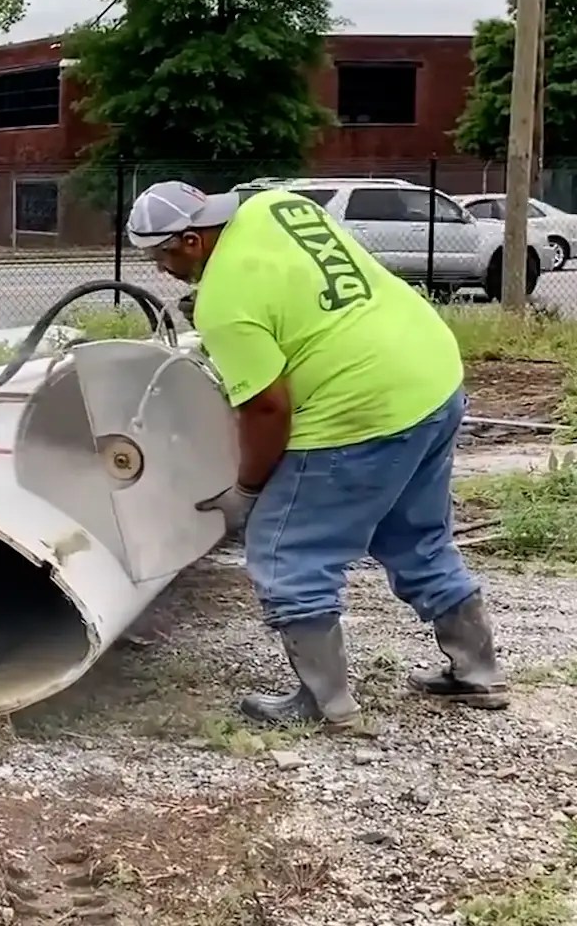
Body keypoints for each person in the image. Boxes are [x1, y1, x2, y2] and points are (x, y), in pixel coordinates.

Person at [126, 179, 508, 732]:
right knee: (413, 534)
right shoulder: (279, 206)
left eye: (161, 256)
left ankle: (325, 704)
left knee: (286, 549)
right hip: (430, 376)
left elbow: (267, 410)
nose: (161, 270)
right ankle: (480, 672)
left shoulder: (225, 302)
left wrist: (248, 491)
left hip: (362, 408)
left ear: (191, 238)